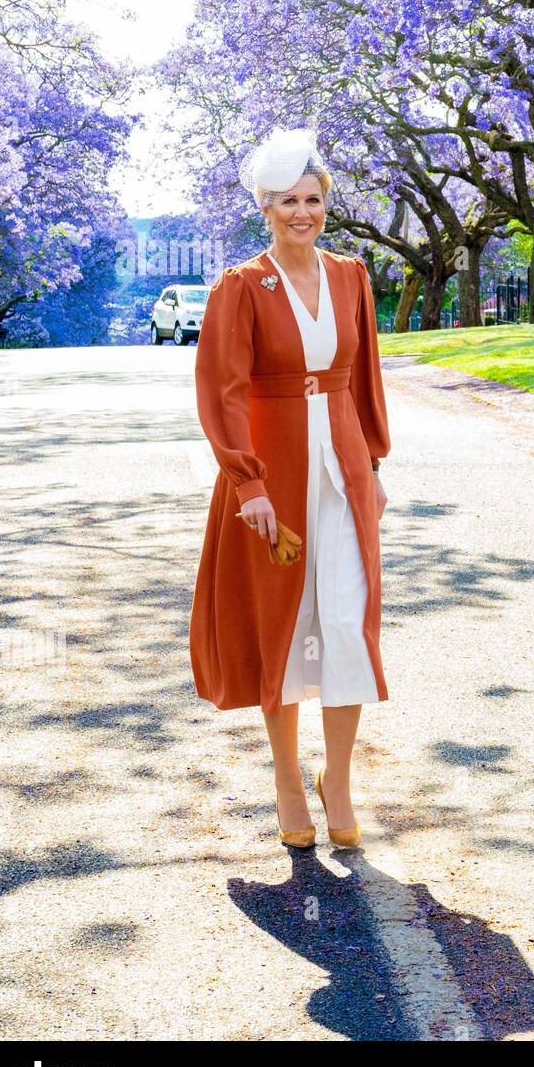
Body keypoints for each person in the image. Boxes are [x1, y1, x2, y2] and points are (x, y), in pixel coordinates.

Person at [188, 127, 392, 851]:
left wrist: (371, 465)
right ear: (264, 209)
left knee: (346, 623)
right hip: (273, 474)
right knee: (283, 621)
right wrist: (247, 482)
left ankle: (337, 779)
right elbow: (224, 390)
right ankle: (284, 780)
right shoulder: (241, 286)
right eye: (286, 202)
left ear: (324, 205)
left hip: (341, 471)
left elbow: (364, 379)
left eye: (312, 200)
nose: (301, 212)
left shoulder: (351, 277)